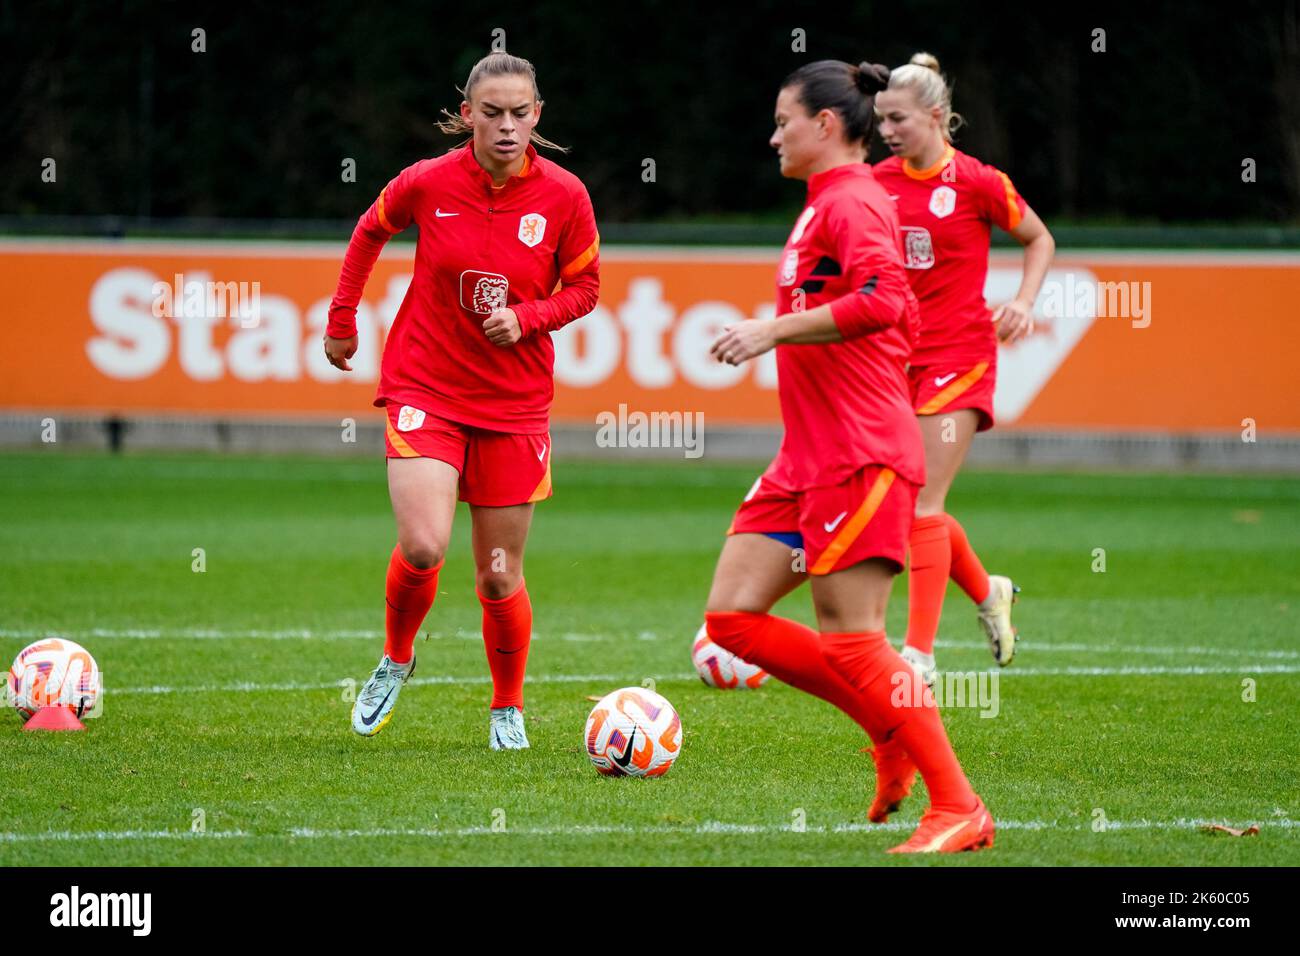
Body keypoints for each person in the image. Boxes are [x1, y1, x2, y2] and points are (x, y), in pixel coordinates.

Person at [705, 59, 993, 853]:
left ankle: (959, 806)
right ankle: (887, 723)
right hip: (806, 456)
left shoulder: (856, 200)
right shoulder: (821, 205)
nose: (773, 136)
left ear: (825, 125)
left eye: (783, 121)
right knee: (731, 617)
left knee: (853, 642)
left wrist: (770, 331)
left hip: (860, 453)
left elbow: (884, 300)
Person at [324, 51, 600, 748]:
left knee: (499, 577)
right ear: (468, 114)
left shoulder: (565, 195)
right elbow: (368, 233)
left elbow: (587, 288)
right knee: (422, 546)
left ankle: (506, 705)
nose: (507, 127)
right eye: (493, 112)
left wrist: (529, 317)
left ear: (538, 116)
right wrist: (341, 319)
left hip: (514, 403)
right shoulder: (428, 181)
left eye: (520, 113)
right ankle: (396, 657)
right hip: (427, 384)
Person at [873, 53, 1055, 687]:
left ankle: (918, 655)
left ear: (936, 116)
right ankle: (988, 591)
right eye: (880, 120)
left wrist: (1024, 301)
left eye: (898, 119)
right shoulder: (876, 182)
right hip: (897, 360)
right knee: (902, 502)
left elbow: (1039, 238)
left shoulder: (978, 181)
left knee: (922, 499)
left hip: (960, 355)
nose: (888, 131)